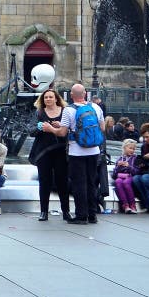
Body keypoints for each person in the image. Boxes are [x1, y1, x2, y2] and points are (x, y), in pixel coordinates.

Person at [54, 83, 105, 225]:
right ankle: (92, 215)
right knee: (91, 183)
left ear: (71, 95)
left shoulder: (68, 110)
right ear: (85, 94)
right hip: (94, 150)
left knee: (79, 184)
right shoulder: (95, 107)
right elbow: (102, 127)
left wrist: (51, 129)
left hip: (77, 152)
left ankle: (81, 215)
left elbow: (63, 132)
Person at [28, 89, 71, 221]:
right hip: (43, 152)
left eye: (50, 97)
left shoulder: (65, 111)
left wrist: (59, 127)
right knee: (44, 181)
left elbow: (71, 129)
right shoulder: (39, 112)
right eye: (45, 97)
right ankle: (43, 212)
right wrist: (39, 127)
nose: (48, 99)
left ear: (56, 99)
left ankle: (66, 211)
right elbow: (31, 131)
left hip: (60, 150)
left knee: (62, 182)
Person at [112, 139, 138, 214]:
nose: (132, 150)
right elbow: (114, 175)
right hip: (120, 177)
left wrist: (129, 166)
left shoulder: (135, 158)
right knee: (118, 181)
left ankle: (133, 205)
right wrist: (118, 166)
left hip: (130, 176)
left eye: (133, 149)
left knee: (126, 183)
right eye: (130, 148)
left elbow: (137, 172)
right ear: (124, 148)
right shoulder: (120, 158)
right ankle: (125, 205)